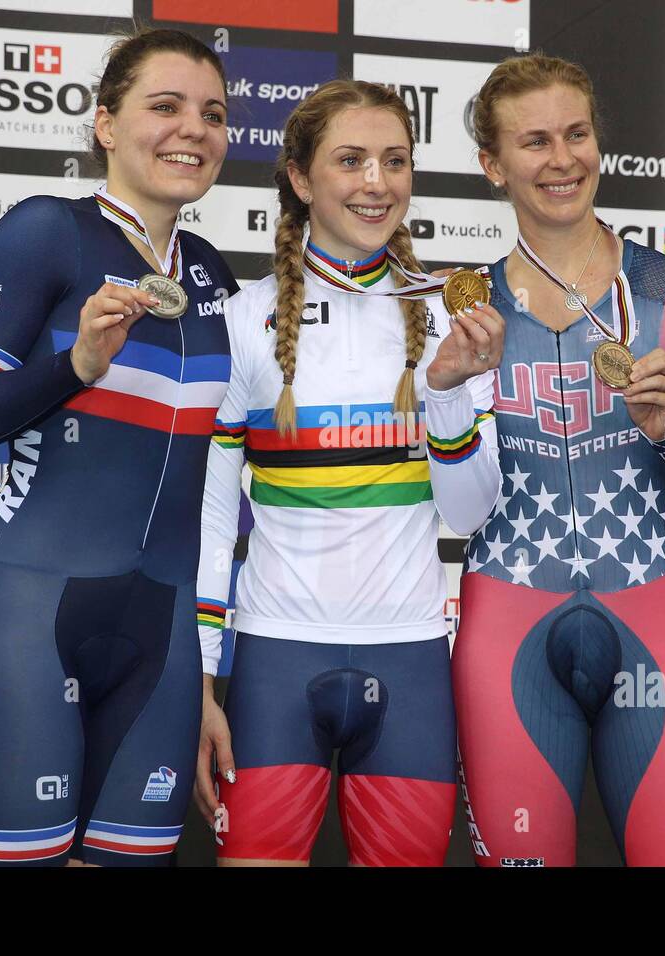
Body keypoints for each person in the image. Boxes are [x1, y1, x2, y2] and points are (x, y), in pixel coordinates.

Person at [429, 54, 665, 867]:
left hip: (650, 625)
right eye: (535, 141)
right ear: (492, 165)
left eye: (577, 134)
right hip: (506, 633)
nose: (562, 159)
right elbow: (452, 502)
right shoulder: (465, 310)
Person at [0, 28, 236, 867]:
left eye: (212, 113)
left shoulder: (213, 276)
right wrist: (75, 366)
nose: (192, 130)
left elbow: (227, 482)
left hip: (163, 639)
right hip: (23, 612)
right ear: (105, 124)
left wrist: (209, 671)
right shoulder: (47, 232)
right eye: (163, 106)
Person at [193, 79, 503, 866]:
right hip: (273, 654)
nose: (377, 182)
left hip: (411, 657)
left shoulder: (451, 318)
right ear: (300, 178)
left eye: (395, 161)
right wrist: (199, 679)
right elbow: (211, 514)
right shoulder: (242, 320)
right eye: (352, 160)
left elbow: (468, 514)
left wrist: (444, 394)